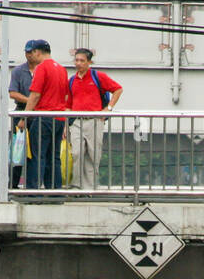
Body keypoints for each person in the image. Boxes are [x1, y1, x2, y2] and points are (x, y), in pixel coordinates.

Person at [66, 49, 122, 191]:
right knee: (77, 153)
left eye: (82, 60)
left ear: (89, 62)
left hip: (94, 120)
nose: (78, 63)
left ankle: (90, 188)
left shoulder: (98, 76)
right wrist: (66, 125)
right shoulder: (72, 80)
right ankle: (76, 185)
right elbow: (68, 105)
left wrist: (108, 109)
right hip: (77, 121)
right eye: (76, 60)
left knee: (93, 155)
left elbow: (117, 89)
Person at [24, 39, 69, 190]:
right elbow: (66, 96)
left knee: (37, 156)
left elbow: (35, 95)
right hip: (59, 118)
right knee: (54, 157)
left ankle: (33, 192)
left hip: (43, 116)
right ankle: (55, 192)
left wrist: (25, 116)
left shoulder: (41, 68)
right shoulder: (62, 69)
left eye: (32, 52)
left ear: (37, 52)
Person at [8, 41, 39, 188]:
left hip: (40, 114)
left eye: (32, 52)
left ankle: (34, 186)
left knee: (36, 151)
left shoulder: (43, 70)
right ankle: (12, 185)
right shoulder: (18, 71)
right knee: (17, 150)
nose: (30, 55)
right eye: (27, 52)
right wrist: (30, 101)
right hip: (21, 111)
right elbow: (12, 93)